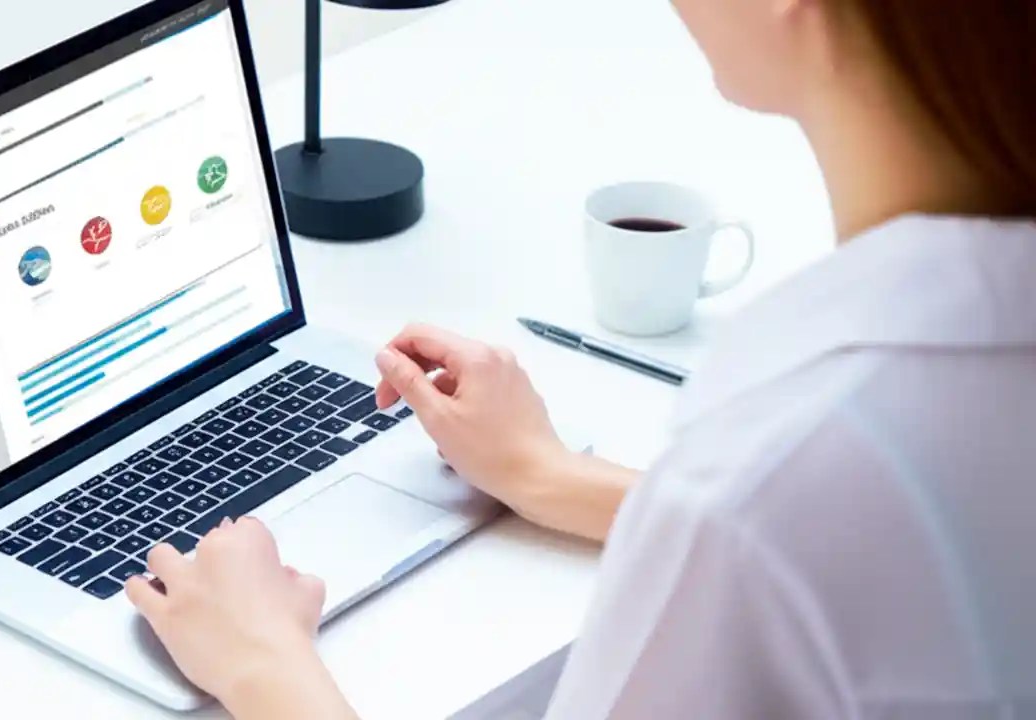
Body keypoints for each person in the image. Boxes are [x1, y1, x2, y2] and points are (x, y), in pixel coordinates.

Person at [125, 0, 1036, 717]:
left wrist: (259, 664)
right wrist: (551, 475)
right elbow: (854, 553)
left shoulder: (775, 468)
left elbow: (780, 526)